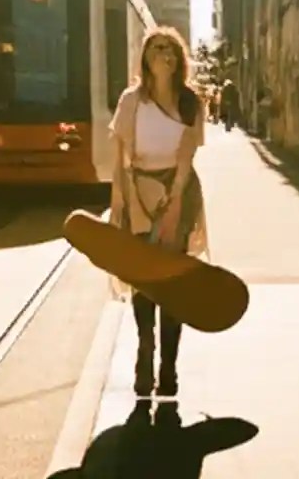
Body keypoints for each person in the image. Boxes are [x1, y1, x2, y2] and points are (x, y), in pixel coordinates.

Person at [107, 26, 209, 398]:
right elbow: (119, 156)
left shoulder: (190, 102)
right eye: (155, 47)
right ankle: (144, 349)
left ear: (178, 58)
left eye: (168, 48)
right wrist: (119, 201)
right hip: (138, 189)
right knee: (143, 277)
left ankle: (169, 366)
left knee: (171, 280)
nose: (161, 53)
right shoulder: (132, 100)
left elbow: (186, 158)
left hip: (178, 190)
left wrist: (175, 203)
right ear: (146, 58)